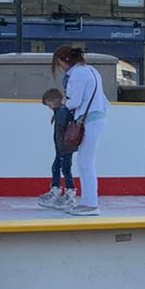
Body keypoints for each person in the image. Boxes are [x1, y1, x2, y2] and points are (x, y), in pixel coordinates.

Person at [54, 45, 109, 217]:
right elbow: (103, 99)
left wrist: (63, 102)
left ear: (65, 60)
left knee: (85, 163)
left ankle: (91, 203)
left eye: (59, 63)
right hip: (97, 118)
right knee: (86, 162)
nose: (60, 67)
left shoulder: (77, 74)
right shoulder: (92, 70)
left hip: (88, 120)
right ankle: (88, 201)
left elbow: (75, 101)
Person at [39, 87, 75, 208]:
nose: (48, 107)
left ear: (55, 101)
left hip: (64, 148)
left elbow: (64, 128)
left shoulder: (63, 112)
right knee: (56, 167)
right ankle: (56, 190)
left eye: (48, 104)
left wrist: (64, 147)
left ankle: (70, 192)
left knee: (65, 169)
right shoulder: (59, 112)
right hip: (61, 148)